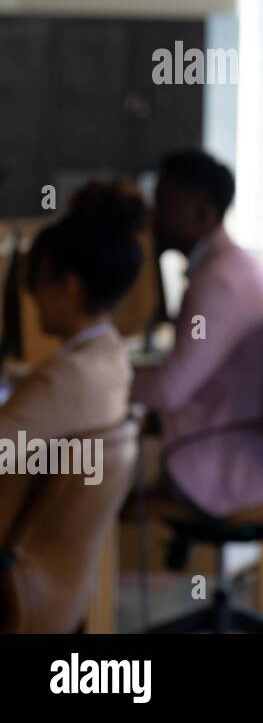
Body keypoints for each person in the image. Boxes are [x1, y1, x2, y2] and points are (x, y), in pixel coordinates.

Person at [130, 150, 263, 518]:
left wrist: (94, 382)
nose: (154, 218)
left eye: (165, 206)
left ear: (202, 215)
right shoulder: (234, 267)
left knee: (91, 474)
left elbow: (169, 390)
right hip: (245, 447)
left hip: (220, 460)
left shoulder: (217, 283)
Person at [0, 181, 144, 543]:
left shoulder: (63, 378)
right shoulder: (111, 357)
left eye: (35, 278)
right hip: (59, 553)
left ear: (71, 286)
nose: (29, 293)